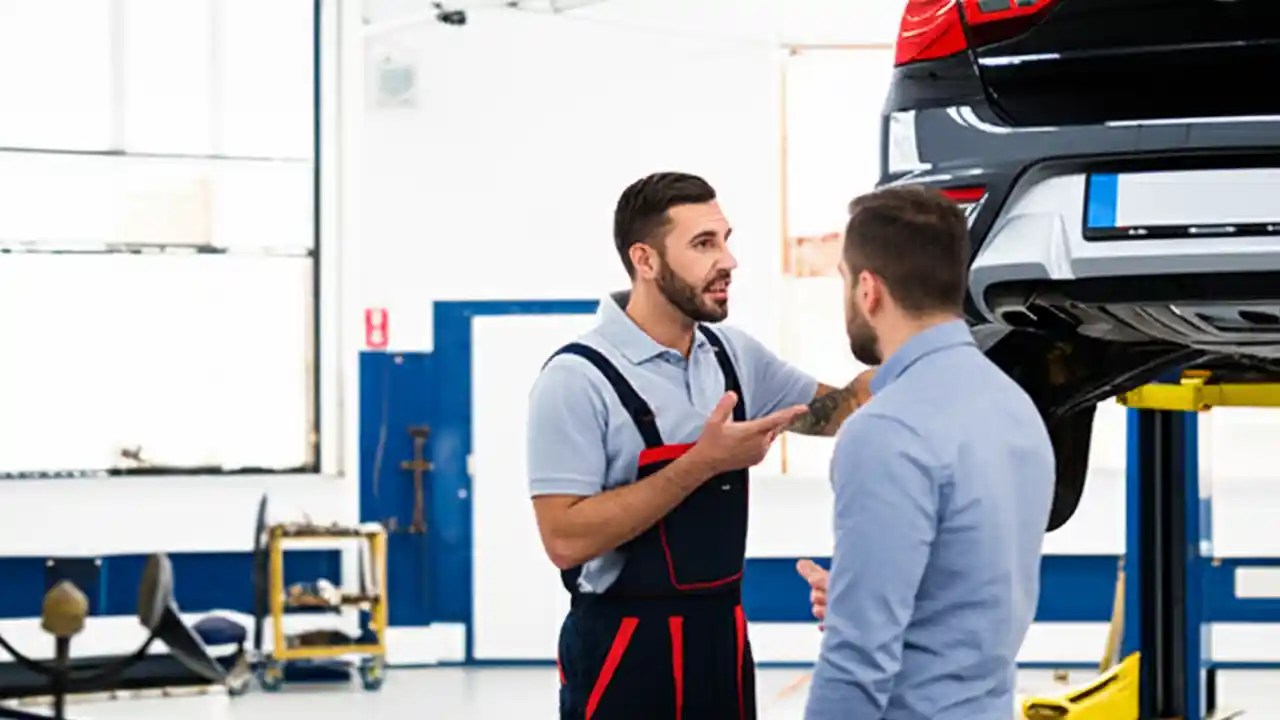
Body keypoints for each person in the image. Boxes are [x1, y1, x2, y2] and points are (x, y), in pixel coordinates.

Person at [527, 171, 874, 720]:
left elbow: (843, 411)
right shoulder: (576, 379)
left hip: (721, 639)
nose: (729, 260)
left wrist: (923, 337)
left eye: (726, 239)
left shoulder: (731, 355)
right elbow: (564, 540)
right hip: (623, 652)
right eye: (704, 244)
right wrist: (703, 463)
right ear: (645, 260)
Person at [798, 185, 1056, 719]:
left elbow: (858, 659)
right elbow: (970, 589)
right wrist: (860, 587)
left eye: (844, 280)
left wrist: (859, 613)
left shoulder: (886, 431)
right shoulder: (1016, 409)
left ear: (868, 290)